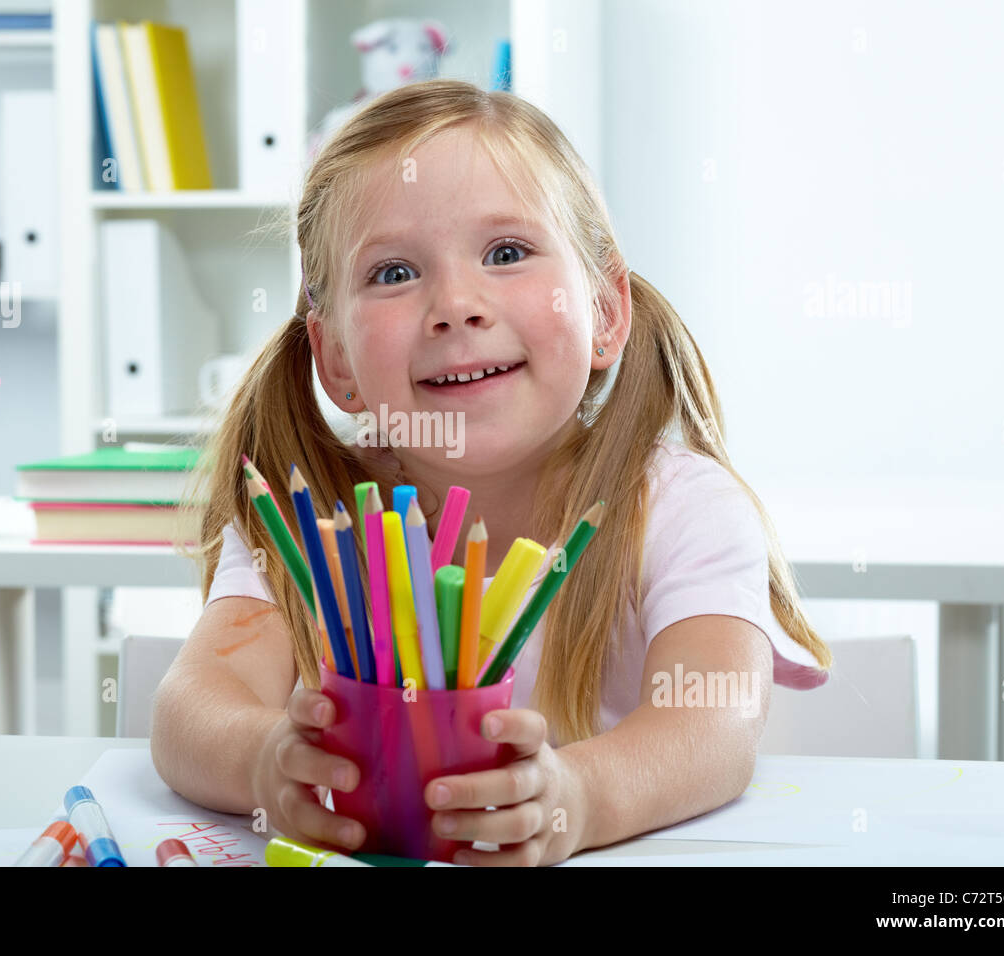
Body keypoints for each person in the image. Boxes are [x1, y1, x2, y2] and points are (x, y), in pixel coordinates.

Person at [152, 79, 832, 866]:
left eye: (507, 254)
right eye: (395, 273)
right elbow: (189, 710)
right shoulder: (316, 516)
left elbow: (714, 723)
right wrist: (264, 761)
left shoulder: (682, 509)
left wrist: (576, 800)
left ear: (605, 312)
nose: (456, 305)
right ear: (334, 357)